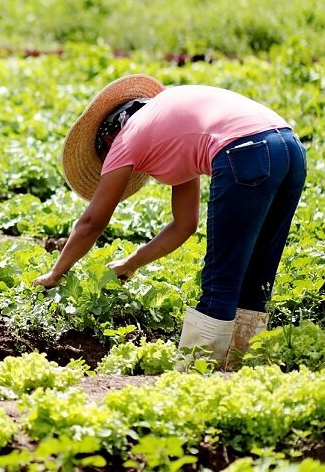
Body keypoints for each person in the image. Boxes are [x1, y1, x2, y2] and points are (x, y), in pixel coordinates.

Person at [32, 74, 306, 368]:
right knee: (256, 278)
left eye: (104, 158)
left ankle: (196, 375)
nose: (107, 166)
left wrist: (55, 273)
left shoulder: (125, 138)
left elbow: (91, 224)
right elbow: (184, 224)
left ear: (108, 137)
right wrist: (131, 263)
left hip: (246, 151)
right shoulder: (167, 123)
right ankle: (242, 366)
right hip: (291, 149)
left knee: (220, 282)